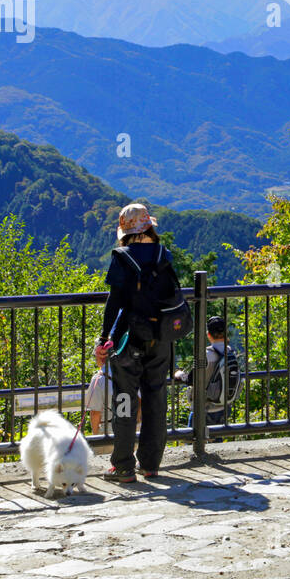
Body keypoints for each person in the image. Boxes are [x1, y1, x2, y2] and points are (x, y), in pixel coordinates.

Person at [95, 203, 179, 482]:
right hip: (161, 338)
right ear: (149, 228)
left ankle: (123, 466)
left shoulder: (122, 257)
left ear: (125, 232)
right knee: (155, 398)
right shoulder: (162, 254)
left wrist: (104, 338)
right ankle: (151, 464)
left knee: (124, 401)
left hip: (129, 340)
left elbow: (114, 302)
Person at [173, 315, 233, 436]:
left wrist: (179, 374)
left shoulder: (204, 355)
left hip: (203, 408)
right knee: (216, 439)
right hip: (224, 406)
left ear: (208, 334)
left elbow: (191, 379)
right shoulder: (231, 352)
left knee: (193, 438)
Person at [84, 343, 140, 435]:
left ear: (100, 358)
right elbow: (140, 401)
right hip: (131, 429)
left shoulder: (99, 379)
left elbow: (95, 413)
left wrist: (95, 434)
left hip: (109, 430)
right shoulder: (131, 373)